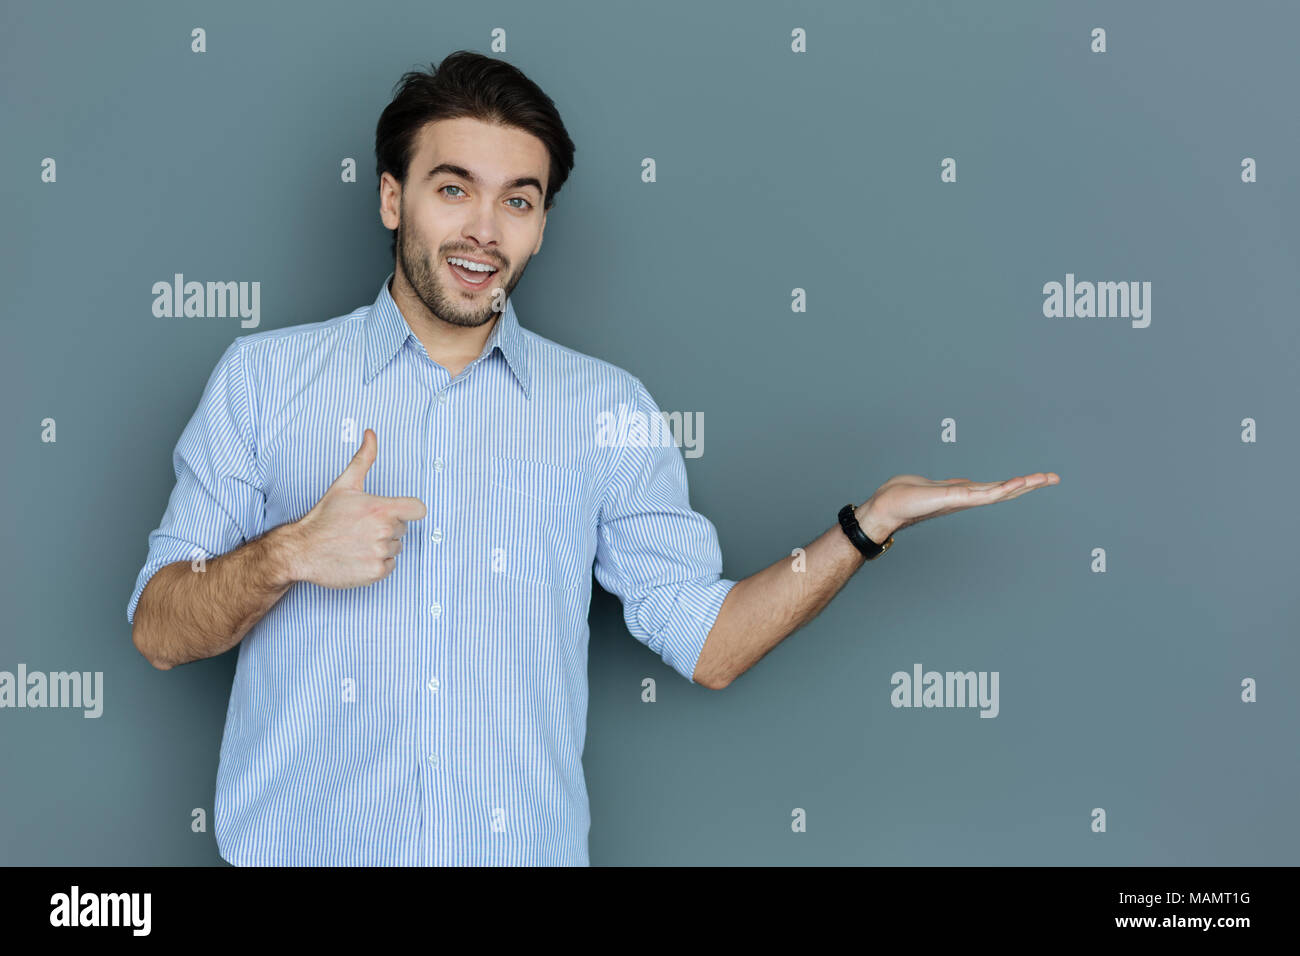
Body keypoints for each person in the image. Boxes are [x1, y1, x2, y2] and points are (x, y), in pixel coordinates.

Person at [127, 50, 1058, 866]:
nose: (484, 231)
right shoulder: (263, 380)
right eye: (453, 188)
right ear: (390, 196)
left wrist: (867, 525)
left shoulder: (607, 410)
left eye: (518, 201)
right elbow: (159, 631)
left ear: (541, 222)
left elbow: (711, 644)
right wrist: (287, 553)